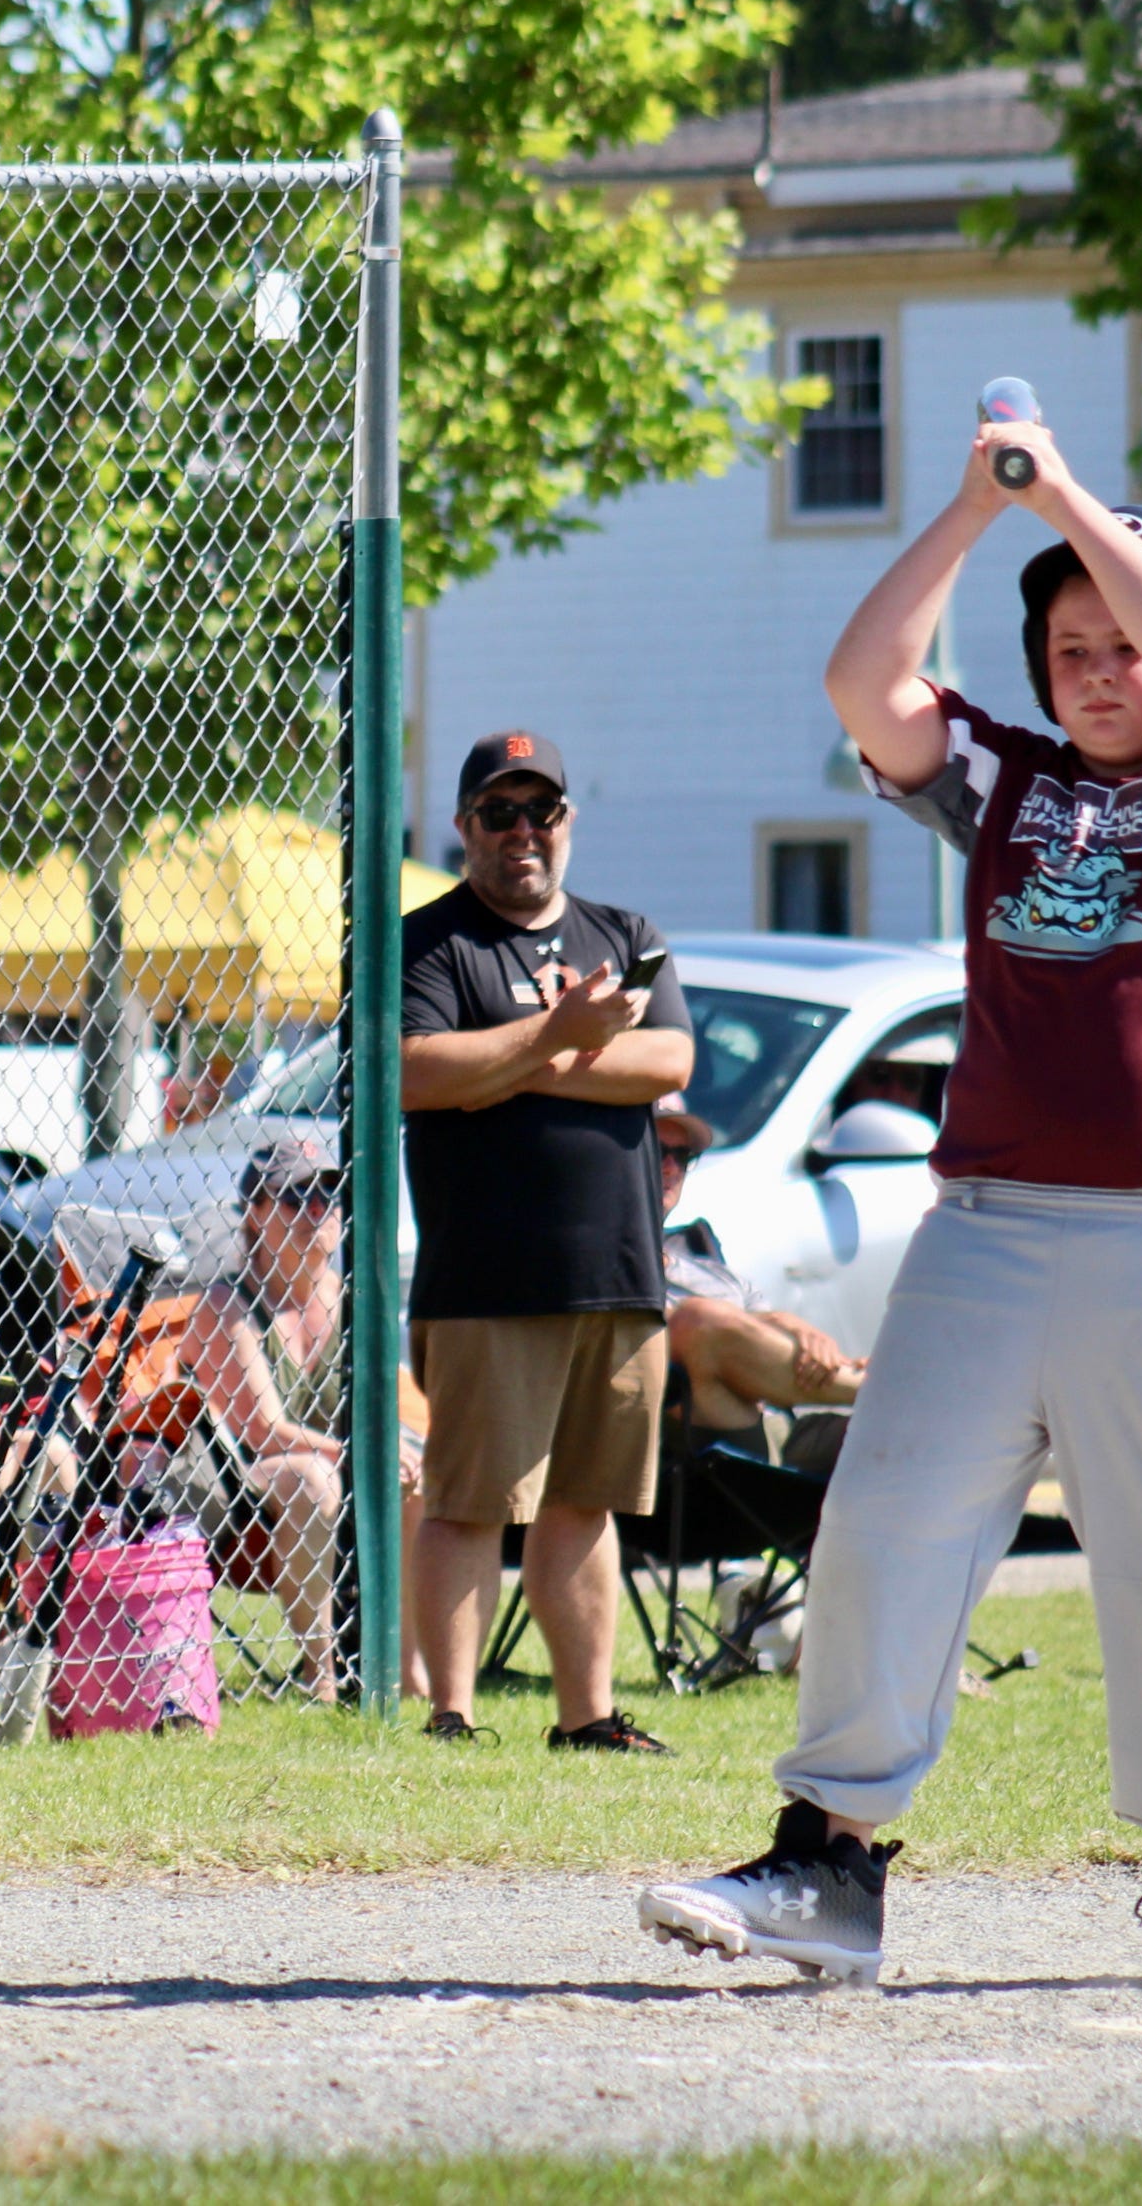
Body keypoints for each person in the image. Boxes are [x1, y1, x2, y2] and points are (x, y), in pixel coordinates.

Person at [638, 416, 1142, 1994]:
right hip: (988, 1223)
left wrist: (1069, 496)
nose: (1100, 666)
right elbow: (861, 687)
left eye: (1126, 638)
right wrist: (963, 510)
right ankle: (827, 1867)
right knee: (882, 1521)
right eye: (1068, 643)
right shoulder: (1002, 778)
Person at [399, 729, 694, 1753]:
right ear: (462, 826)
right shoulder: (427, 943)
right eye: (498, 813)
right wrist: (562, 1037)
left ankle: (587, 1719)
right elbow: (421, 1071)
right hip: (485, 1275)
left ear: (568, 822)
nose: (522, 832)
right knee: (469, 1504)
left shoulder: (630, 933)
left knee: (587, 1502)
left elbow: (666, 1060)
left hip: (615, 1272)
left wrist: (519, 1062)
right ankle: (452, 1716)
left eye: (542, 811)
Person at [170, 1136, 356, 1703]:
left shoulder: (349, 1299)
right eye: (297, 1196)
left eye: (330, 1192)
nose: (317, 1210)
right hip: (240, 1493)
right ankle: (321, 1671)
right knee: (309, 1475)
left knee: (417, 1470)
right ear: (255, 1212)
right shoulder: (228, 1303)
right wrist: (359, 1458)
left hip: (335, 1471)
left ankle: (412, 1674)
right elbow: (263, 1433)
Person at [656, 1096, 865, 1446]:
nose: (671, 1168)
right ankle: (884, 1389)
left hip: (786, 1429)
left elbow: (760, 1332)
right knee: (697, 1319)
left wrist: (793, 1328)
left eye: (682, 1156)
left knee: (911, 1438)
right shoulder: (602, 1262)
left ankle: (887, 1393)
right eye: (656, 1151)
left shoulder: (710, 1268)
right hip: (720, 1444)